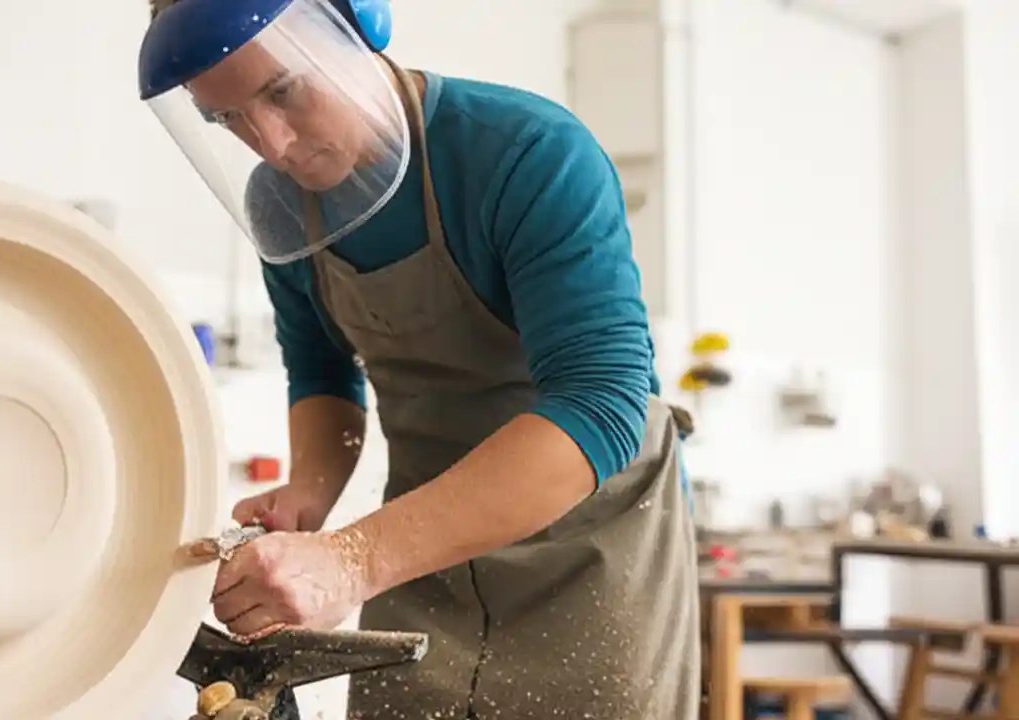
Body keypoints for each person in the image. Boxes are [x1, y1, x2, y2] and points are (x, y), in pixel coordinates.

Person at [139, 1, 700, 717]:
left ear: (355, 26)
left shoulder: (525, 151)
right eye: (227, 119)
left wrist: (352, 561)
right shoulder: (281, 200)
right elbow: (323, 371)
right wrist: (309, 494)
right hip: (422, 545)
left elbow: (600, 403)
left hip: (592, 543)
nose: (272, 143)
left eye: (282, 91)